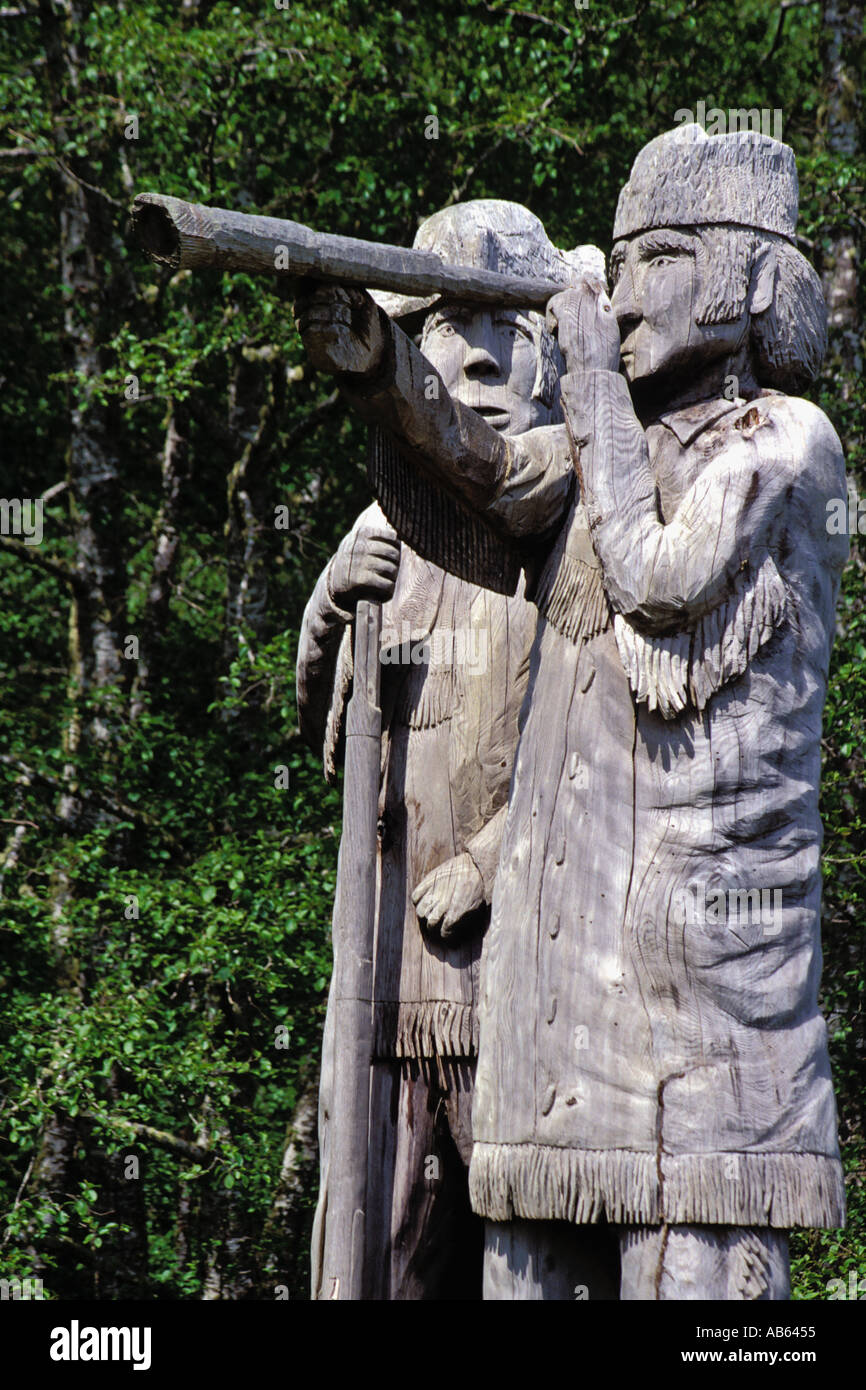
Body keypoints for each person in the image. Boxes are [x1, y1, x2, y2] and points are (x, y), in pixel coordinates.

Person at [296, 125, 847, 1300]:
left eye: (659, 257)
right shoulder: (607, 448)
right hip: (554, 1022)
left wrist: (589, 375)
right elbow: (485, 475)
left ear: (749, 280)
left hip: (700, 1024)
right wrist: (379, 369)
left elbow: (656, 576)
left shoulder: (786, 445)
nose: (623, 288)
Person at [297, 200, 600, 1299]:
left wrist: (488, 859)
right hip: (389, 977)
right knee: (388, 1235)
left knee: (524, 1245)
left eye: (500, 323)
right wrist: (327, 609)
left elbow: (594, 753)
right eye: (443, 320)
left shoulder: (569, 523)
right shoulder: (381, 524)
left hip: (518, 975)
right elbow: (322, 726)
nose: (472, 350)